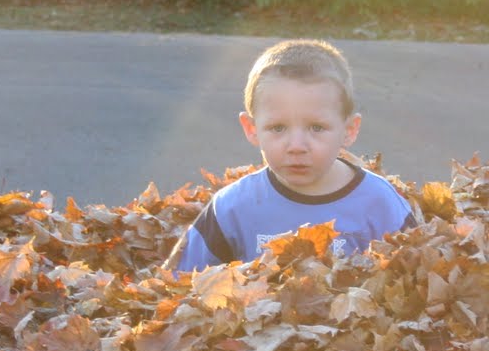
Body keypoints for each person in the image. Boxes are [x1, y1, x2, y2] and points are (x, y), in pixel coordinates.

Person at [165, 39, 416, 272]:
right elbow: (179, 284)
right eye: (278, 128)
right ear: (252, 129)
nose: (296, 146)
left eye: (316, 127)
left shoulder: (380, 204)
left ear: (349, 130)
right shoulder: (232, 208)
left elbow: (416, 281)